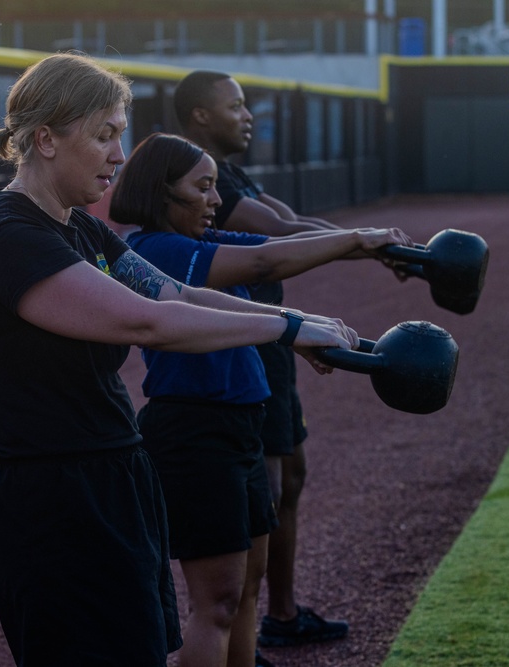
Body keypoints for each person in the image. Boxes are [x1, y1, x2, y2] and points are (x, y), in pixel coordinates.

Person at [0, 53, 358, 667]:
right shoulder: (12, 236)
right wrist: (284, 330)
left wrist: (295, 325)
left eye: (120, 135)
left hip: (115, 474)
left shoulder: (79, 229)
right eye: (104, 136)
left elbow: (173, 292)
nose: (120, 156)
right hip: (54, 495)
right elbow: (145, 319)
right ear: (44, 139)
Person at [108, 132, 411, 667]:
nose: (214, 199)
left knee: (245, 590)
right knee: (217, 604)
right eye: (201, 188)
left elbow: (275, 257)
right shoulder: (158, 250)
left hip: (238, 427)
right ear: (163, 192)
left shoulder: (199, 244)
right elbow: (264, 263)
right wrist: (359, 239)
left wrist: (315, 331)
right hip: (195, 433)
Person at [172, 69, 360, 651]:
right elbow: (275, 243)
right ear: (201, 116)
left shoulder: (227, 174)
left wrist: (375, 244)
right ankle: (248, 641)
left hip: (269, 340)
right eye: (236, 105)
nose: (248, 114)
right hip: (248, 345)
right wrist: (366, 243)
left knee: (284, 480)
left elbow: (294, 228)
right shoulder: (200, 181)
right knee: (263, 497)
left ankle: (269, 621)